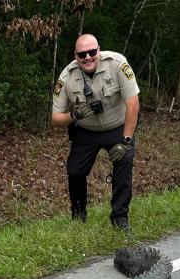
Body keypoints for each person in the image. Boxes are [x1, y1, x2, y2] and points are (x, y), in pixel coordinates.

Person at [51, 33, 140, 232]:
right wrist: (73, 115)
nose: (88, 57)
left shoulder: (118, 64)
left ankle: (120, 219)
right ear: (76, 56)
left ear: (99, 51)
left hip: (117, 125)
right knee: (74, 171)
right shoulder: (67, 77)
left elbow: (133, 104)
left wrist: (126, 140)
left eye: (92, 52)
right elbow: (55, 118)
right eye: (82, 54)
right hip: (86, 130)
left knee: (124, 162)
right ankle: (78, 216)